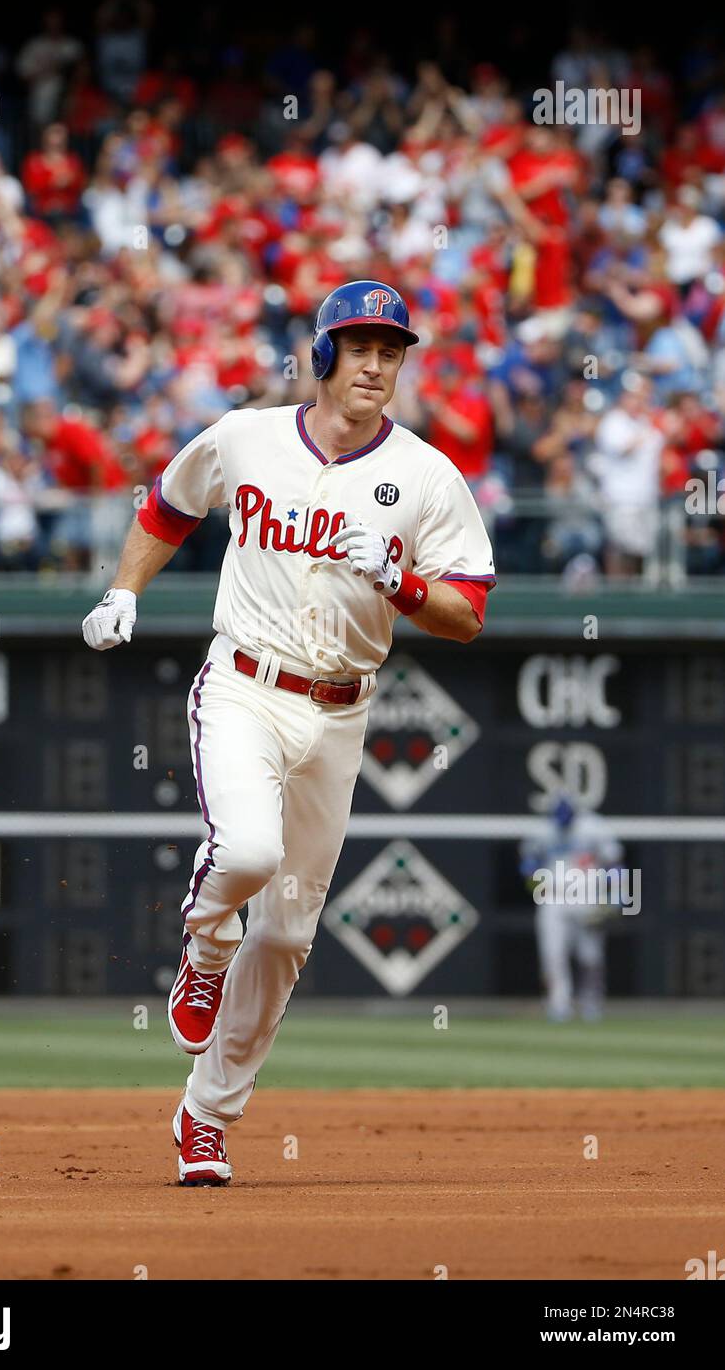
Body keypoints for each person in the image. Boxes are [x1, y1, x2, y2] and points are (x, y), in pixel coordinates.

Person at [82, 281, 496, 1185]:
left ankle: (206, 1117)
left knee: (284, 938)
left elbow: (469, 610)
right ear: (322, 356)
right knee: (246, 851)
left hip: (341, 710)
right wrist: (125, 590)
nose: (378, 366)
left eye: (392, 351)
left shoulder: (425, 475)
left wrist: (404, 583)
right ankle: (201, 947)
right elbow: (168, 505)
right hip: (245, 684)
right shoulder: (246, 436)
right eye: (362, 349)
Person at [519, 796, 625, 1022]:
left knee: (590, 955)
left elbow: (615, 864)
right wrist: (536, 887)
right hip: (554, 898)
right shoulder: (542, 831)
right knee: (553, 954)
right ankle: (558, 1004)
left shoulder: (594, 827)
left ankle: (592, 1003)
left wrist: (618, 897)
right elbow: (528, 866)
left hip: (587, 897)